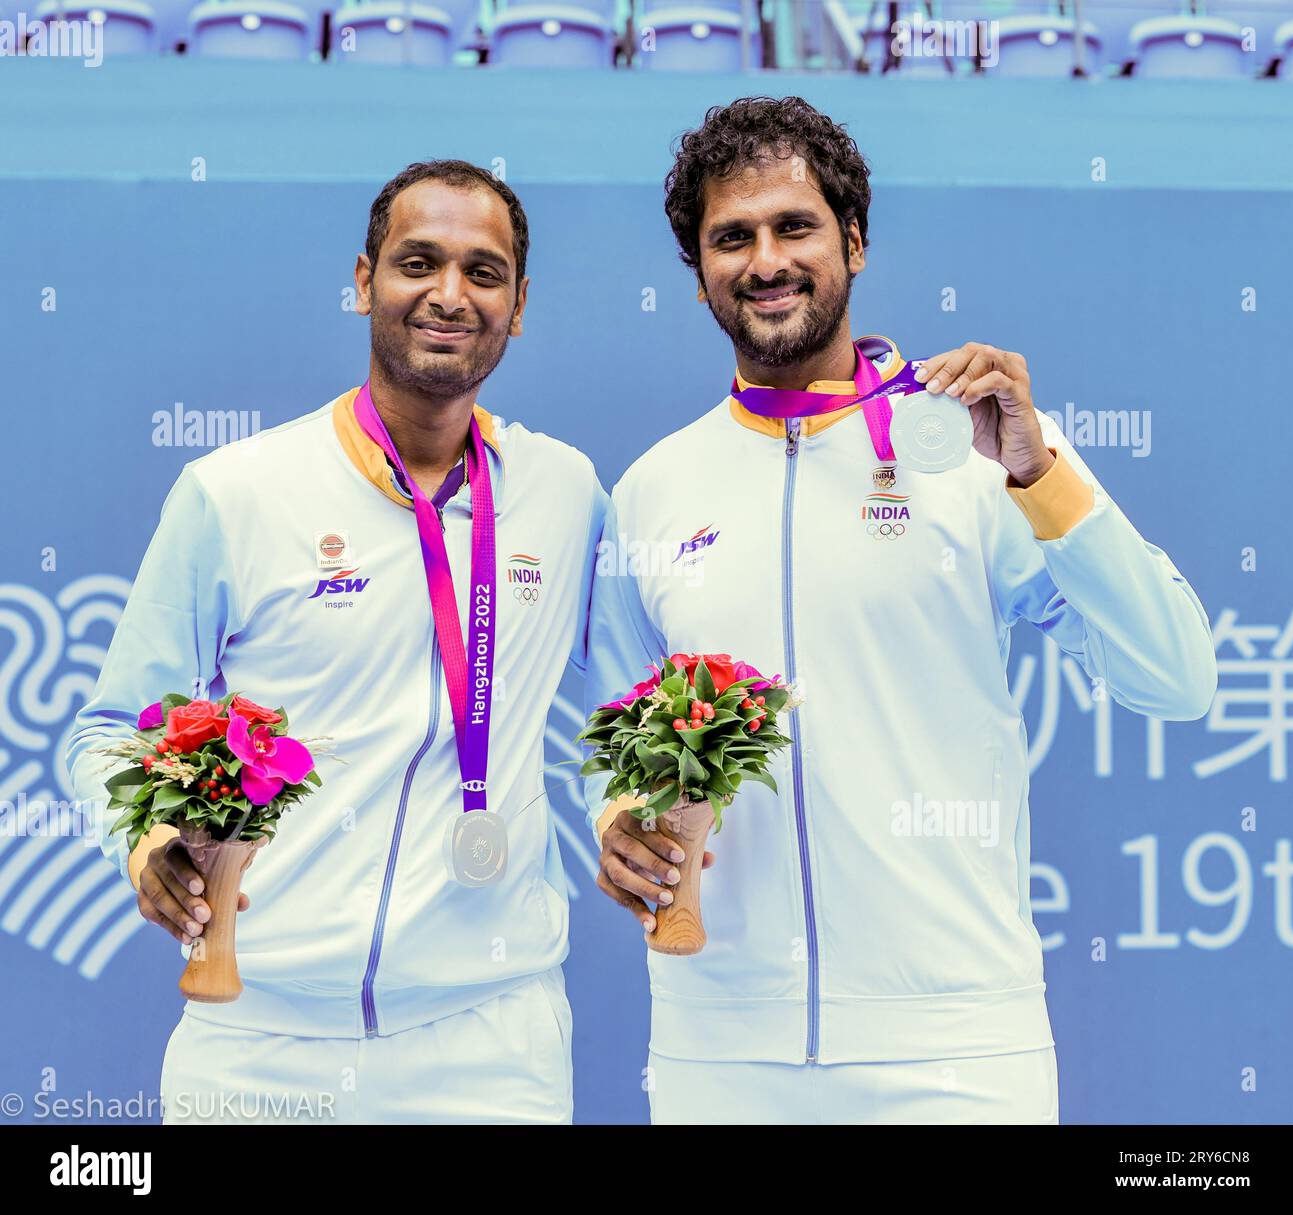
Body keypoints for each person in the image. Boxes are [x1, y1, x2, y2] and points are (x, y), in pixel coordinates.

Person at [584, 97, 1217, 1125]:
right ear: (697, 270)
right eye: (730, 237)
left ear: (855, 243)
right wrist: (617, 823)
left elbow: (1178, 680)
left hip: (953, 1050)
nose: (764, 260)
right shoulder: (654, 490)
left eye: (794, 227)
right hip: (719, 1049)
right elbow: (610, 743)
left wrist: (1040, 475)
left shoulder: (976, 449)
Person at [68, 159, 607, 1125]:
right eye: (418, 262)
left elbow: (634, 696)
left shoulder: (566, 494)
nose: (450, 294)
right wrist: (146, 841)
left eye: (484, 273)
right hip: (257, 1039)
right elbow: (109, 727)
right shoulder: (236, 492)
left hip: (491, 1042)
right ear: (364, 281)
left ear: (519, 305)